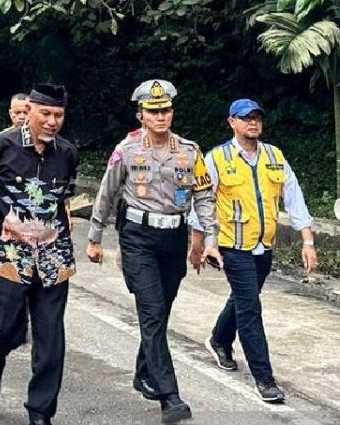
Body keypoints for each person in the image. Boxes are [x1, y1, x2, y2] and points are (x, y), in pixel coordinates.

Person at [87, 80, 216, 424]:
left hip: (173, 239)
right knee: (153, 311)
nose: (161, 116)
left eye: (166, 110)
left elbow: (203, 195)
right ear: (141, 115)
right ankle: (169, 396)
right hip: (137, 238)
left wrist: (209, 240)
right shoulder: (127, 149)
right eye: (153, 111)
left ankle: (144, 371)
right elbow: (107, 192)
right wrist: (95, 237)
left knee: (161, 310)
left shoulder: (189, 151)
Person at [189, 98, 318, 404]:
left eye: (257, 118)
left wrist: (308, 241)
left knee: (245, 299)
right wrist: (198, 244)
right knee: (250, 309)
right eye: (246, 118)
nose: (253, 123)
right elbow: (202, 201)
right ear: (232, 122)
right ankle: (264, 378)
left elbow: (294, 198)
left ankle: (219, 339)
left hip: (264, 246)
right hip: (232, 245)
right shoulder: (216, 158)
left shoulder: (274, 156)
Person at [0, 84, 79, 425]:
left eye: (58, 115)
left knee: (51, 337)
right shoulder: (0, 145)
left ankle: (40, 410)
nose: (52, 122)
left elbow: (65, 197)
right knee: (3, 328)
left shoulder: (67, 153)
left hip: (53, 255)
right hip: (8, 252)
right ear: (29, 111)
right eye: (45, 114)